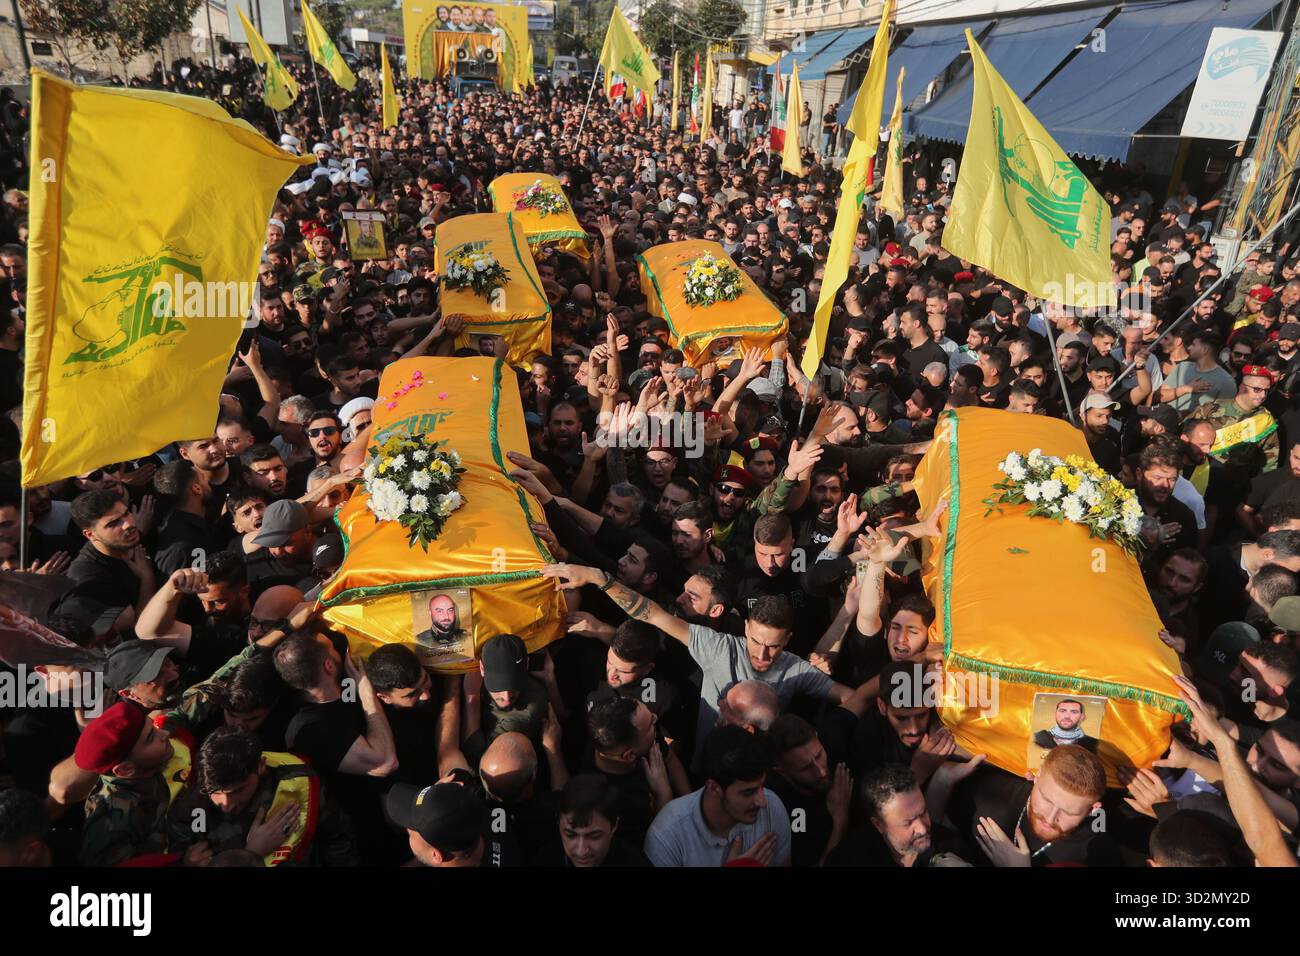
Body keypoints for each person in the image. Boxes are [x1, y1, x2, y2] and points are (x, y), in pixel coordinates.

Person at [643, 725, 792, 867]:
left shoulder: (773, 808)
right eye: (748, 792)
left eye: (762, 786)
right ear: (714, 788)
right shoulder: (666, 837)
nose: (763, 801)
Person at [1032, 699, 1100, 752]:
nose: (1067, 716)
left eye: (1074, 712)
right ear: (1055, 714)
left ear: (1082, 717)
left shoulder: (1092, 744)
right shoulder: (1039, 738)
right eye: (1062, 711)